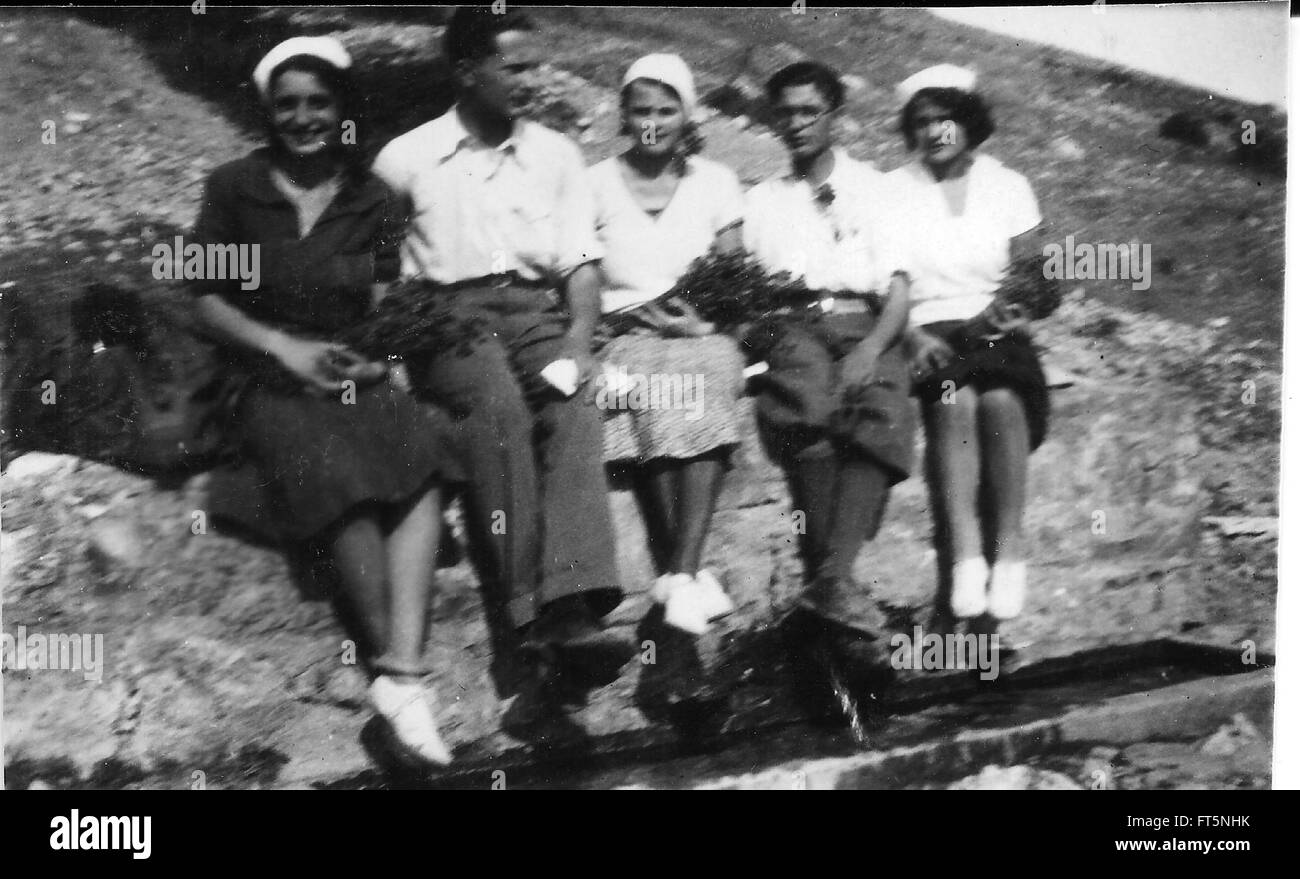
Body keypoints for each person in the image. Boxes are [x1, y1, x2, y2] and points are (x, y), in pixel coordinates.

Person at [189, 37, 462, 766]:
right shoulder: (233, 188)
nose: (304, 117)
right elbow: (205, 298)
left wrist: (378, 356)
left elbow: (382, 298)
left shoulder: (367, 194)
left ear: (341, 108)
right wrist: (283, 349)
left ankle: (401, 675)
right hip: (262, 374)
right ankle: (400, 678)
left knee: (417, 451)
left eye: (318, 103)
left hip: (346, 362)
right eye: (288, 105)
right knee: (331, 462)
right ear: (267, 112)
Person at [372, 7, 632, 685]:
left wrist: (578, 339)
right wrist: (392, 357)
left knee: (574, 402)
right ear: (466, 71)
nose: (533, 80)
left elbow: (579, 263)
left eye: (535, 65)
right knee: (497, 410)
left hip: (530, 312)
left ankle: (574, 606)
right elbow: (377, 274)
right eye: (515, 67)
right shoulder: (405, 158)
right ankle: (527, 614)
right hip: (444, 316)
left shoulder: (557, 154)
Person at [743, 62, 915, 679]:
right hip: (792, 325)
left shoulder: (875, 187)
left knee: (886, 406)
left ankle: (829, 583)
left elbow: (898, 291)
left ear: (833, 115)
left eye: (808, 111)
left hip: (861, 319)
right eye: (784, 113)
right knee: (809, 406)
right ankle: (835, 588)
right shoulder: (760, 201)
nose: (795, 124)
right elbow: (751, 297)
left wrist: (872, 347)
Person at [885, 65, 1050, 628]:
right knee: (954, 399)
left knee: (1002, 399)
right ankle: (965, 555)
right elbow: (883, 281)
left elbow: (1035, 274)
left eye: (947, 118)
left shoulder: (1008, 185)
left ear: (970, 122)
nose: (935, 132)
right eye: (923, 121)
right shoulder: (893, 190)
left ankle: (1009, 550)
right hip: (930, 330)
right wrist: (908, 336)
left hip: (994, 330)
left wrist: (1018, 305)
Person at [589, 54, 746, 636]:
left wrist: (703, 324)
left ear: (687, 115)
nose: (653, 123)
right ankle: (689, 575)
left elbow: (736, 278)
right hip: (627, 334)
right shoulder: (593, 185)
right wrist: (620, 321)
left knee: (703, 371)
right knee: (647, 384)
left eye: (666, 110)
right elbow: (578, 275)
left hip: (700, 332)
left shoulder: (718, 182)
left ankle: (677, 575)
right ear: (624, 117)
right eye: (641, 111)